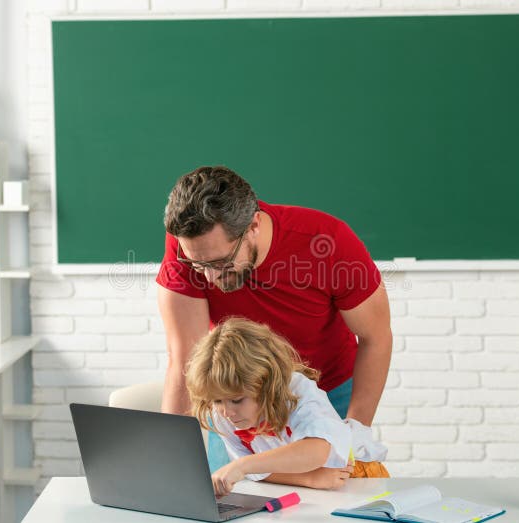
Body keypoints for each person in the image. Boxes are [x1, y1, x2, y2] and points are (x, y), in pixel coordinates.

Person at [157, 165, 392, 470]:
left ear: (253, 225)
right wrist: (168, 453)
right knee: (231, 496)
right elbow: (185, 356)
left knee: (325, 502)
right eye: (198, 265)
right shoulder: (191, 247)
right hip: (235, 395)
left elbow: (376, 337)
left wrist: (357, 428)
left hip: (324, 393)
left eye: (221, 262)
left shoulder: (327, 242)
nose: (210, 276)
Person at [186, 318, 389, 497]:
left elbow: (318, 451)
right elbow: (259, 473)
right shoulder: (223, 412)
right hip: (312, 484)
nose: (227, 412)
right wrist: (309, 479)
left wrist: (243, 466)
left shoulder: (297, 391)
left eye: (237, 400)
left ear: (265, 383)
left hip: (357, 475)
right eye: (217, 401)